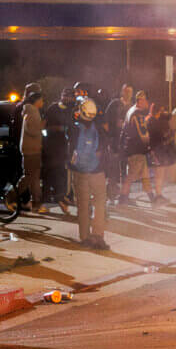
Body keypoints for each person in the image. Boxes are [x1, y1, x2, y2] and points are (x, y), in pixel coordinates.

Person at [68, 94, 112, 249]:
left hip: (80, 172)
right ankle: (98, 236)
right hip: (97, 171)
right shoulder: (99, 128)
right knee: (100, 203)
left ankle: (85, 238)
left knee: (83, 206)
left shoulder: (73, 127)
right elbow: (106, 145)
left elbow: (69, 150)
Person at [17, 90, 48, 212]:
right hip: (30, 150)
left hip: (33, 149)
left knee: (34, 178)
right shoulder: (31, 112)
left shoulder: (33, 111)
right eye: (41, 100)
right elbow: (32, 130)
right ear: (36, 101)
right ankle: (11, 196)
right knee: (29, 176)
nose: (43, 102)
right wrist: (42, 125)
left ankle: (36, 204)